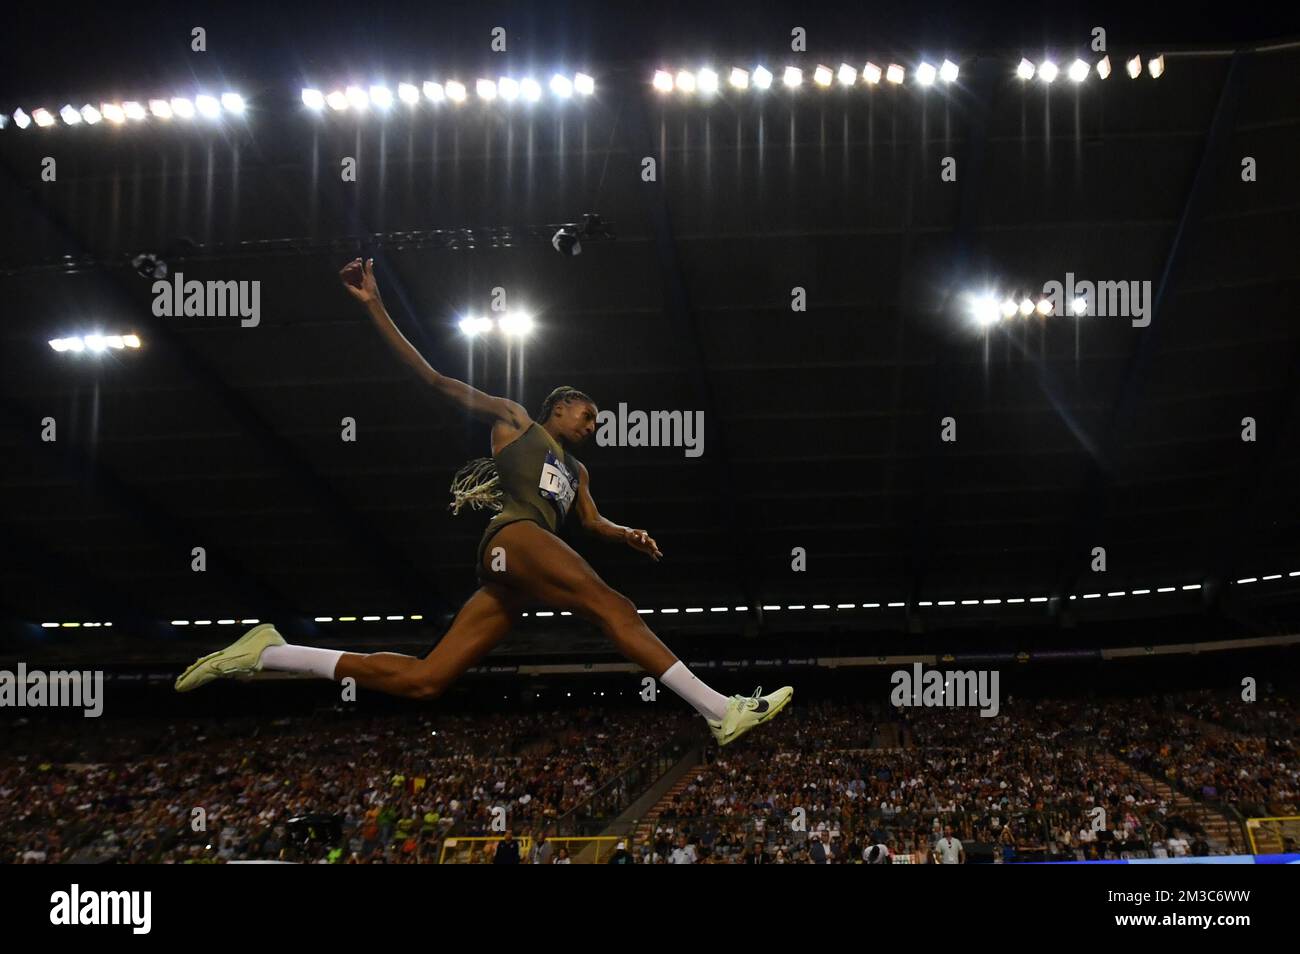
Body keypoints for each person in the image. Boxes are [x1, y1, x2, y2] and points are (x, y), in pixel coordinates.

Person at [175, 258, 793, 747]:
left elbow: (590, 522)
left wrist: (625, 533)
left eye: (600, 422)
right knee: (613, 605)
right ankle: (718, 709)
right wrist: (377, 307)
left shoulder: (578, 470)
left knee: (426, 681)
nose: (595, 424)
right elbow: (436, 379)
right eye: (589, 414)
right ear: (560, 404)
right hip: (513, 538)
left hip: (515, 576)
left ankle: (268, 652)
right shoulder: (515, 421)